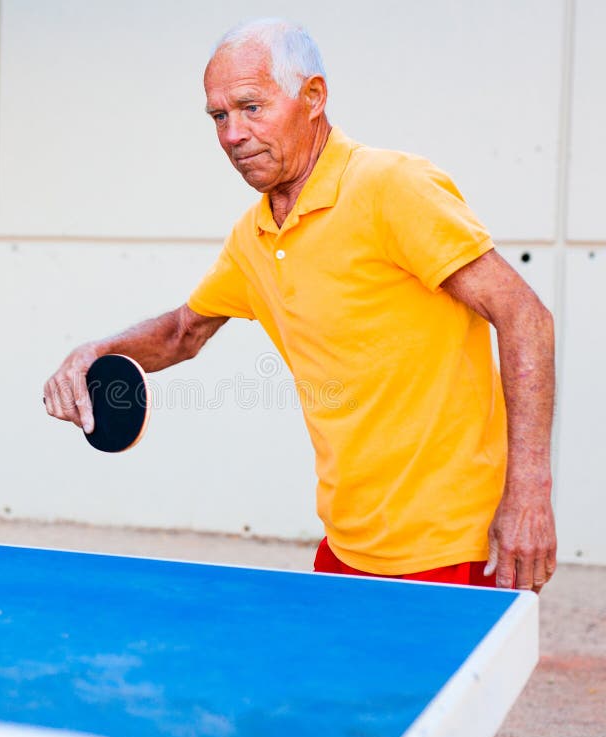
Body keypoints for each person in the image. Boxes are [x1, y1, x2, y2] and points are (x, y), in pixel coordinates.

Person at [44, 18, 556, 592]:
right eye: (219, 116)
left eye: (251, 107)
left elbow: (525, 317)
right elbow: (183, 332)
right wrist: (95, 353)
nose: (233, 134)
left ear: (313, 97)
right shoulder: (254, 236)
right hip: (346, 544)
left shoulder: (391, 187)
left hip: (453, 545)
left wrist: (529, 495)